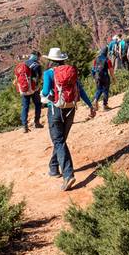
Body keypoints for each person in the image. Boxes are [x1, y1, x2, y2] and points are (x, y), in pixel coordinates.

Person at [41, 47, 96, 190]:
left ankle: (68, 174)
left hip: (56, 110)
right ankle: (53, 168)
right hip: (71, 109)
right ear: (62, 59)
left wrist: (44, 94)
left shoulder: (48, 73)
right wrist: (90, 105)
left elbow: (46, 92)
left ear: (51, 60)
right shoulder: (71, 72)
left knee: (58, 141)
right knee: (61, 141)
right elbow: (81, 90)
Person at [15, 52, 43, 133]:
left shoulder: (23, 64)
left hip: (24, 89)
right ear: (37, 56)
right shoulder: (36, 65)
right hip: (33, 88)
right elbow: (38, 77)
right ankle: (37, 122)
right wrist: (37, 86)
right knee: (37, 104)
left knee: (25, 107)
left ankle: (24, 126)